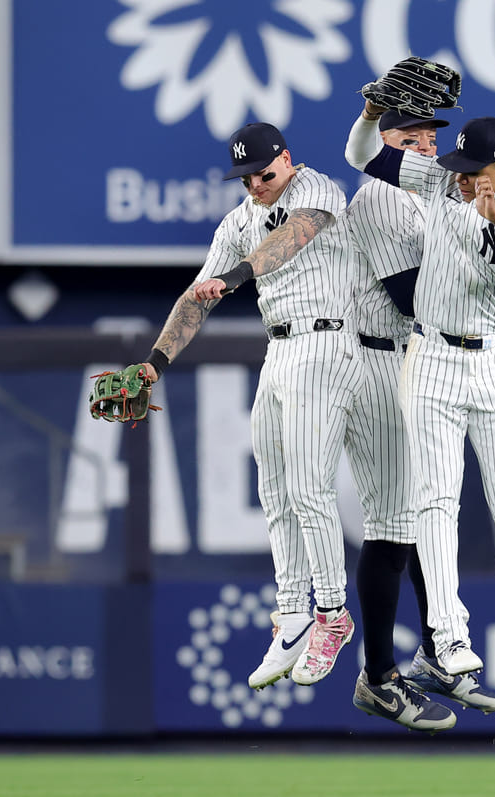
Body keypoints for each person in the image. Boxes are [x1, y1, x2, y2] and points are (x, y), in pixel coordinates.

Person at [345, 98, 495, 676]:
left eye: (475, 170)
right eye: (459, 166)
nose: (462, 177)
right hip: (433, 356)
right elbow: (363, 154)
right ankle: (447, 637)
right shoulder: (445, 185)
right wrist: (372, 114)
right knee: (436, 501)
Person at [135, 122, 362, 689]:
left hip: (328, 339)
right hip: (280, 348)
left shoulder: (316, 189)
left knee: (309, 485)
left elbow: (294, 238)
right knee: (275, 489)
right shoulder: (238, 219)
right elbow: (195, 297)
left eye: (265, 173)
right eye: (247, 177)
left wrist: (237, 276)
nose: (257, 184)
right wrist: (153, 365)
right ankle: (291, 615)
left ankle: (332, 615)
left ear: (287, 159)